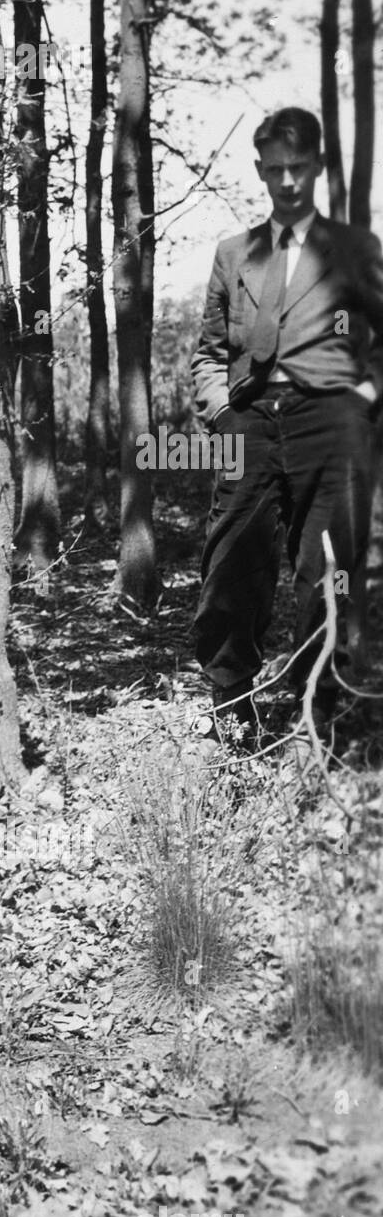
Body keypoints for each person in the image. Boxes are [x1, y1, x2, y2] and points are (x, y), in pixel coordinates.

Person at [191, 107, 383, 741]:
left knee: (328, 569)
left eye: (299, 168)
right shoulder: (233, 253)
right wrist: (219, 411)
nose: (287, 182)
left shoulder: (355, 250)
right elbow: (209, 351)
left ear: (318, 167)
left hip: (327, 422)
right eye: (275, 169)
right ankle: (231, 708)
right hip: (248, 420)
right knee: (229, 563)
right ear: (260, 171)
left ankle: (317, 714)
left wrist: (364, 395)